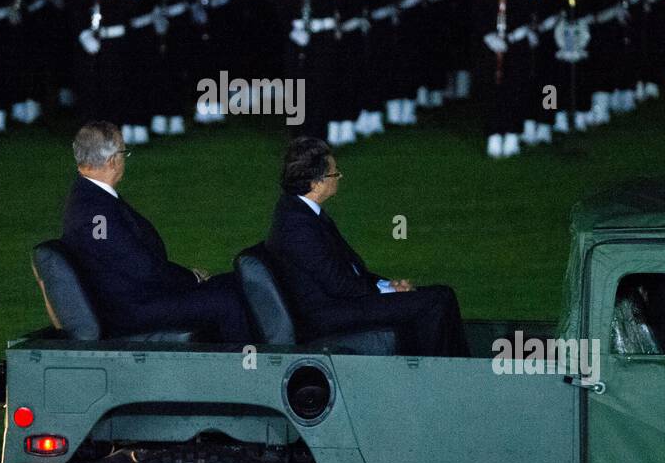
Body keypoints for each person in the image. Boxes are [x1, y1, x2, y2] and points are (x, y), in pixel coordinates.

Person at [264, 137, 469, 358]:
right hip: (328, 314)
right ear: (315, 183)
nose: (339, 177)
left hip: (337, 303)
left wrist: (385, 284)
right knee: (437, 300)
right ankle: (446, 375)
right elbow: (339, 283)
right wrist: (386, 291)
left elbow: (347, 269)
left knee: (438, 296)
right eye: (334, 173)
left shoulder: (301, 212)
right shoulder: (298, 224)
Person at [60, 121, 252, 342]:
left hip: (135, 297)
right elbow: (141, 267)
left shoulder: (90, 197)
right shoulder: (95, 212)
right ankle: (246, 370)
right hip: (131, 309)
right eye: (124, 153)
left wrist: (190, 278)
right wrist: (192, 279)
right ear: (112, 161)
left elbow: (135, 263)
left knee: (234, 283)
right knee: (227, 301)